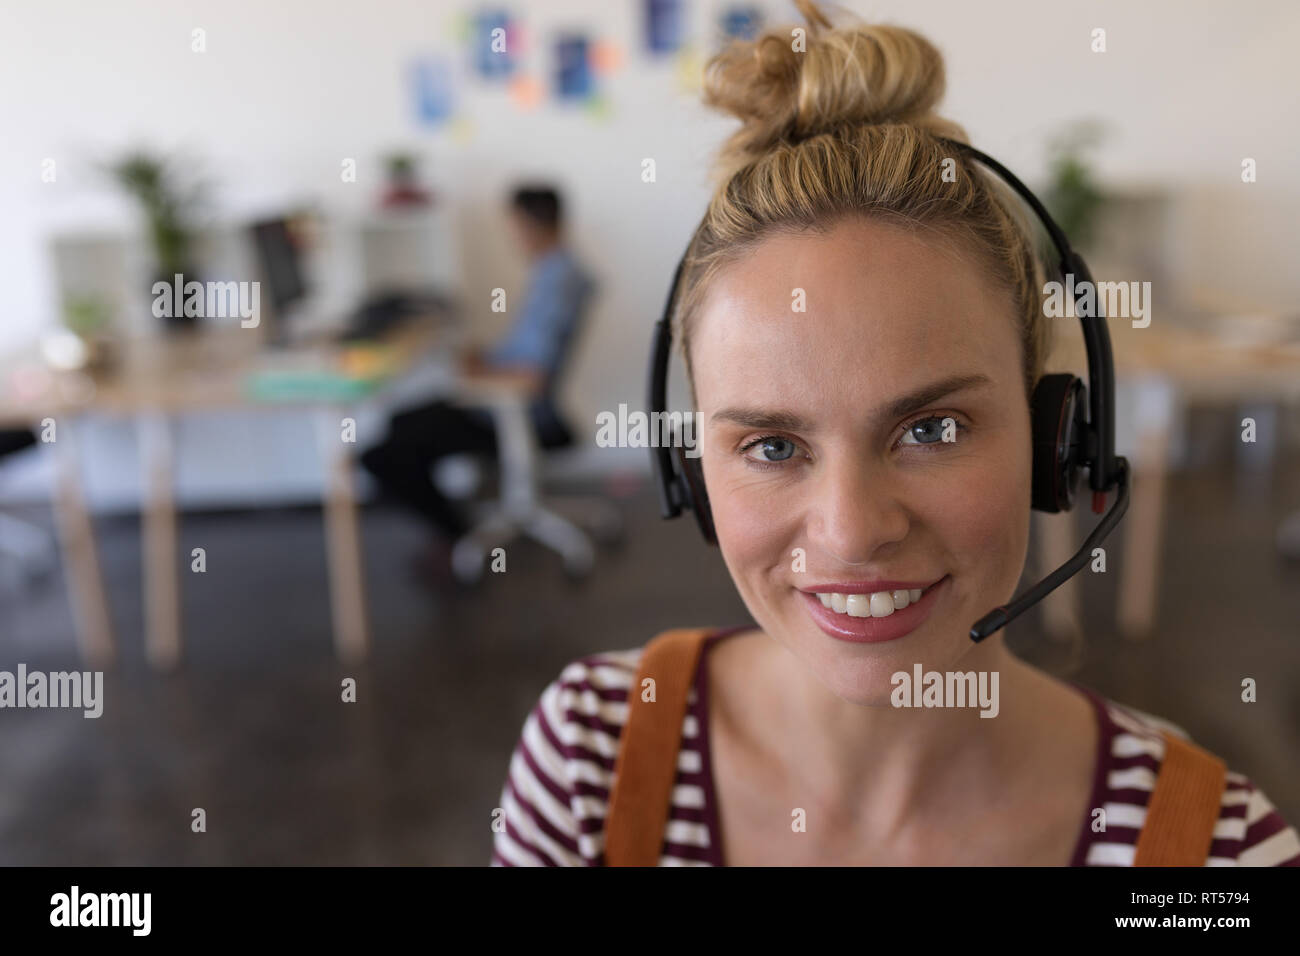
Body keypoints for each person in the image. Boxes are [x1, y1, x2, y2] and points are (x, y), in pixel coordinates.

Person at [490, 2, 1299, 866]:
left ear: (1054, 439)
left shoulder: (1214, 850)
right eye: (772, 446)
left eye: (933, 428)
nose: (852, 530)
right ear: (688, 469)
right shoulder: (591, 763)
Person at [360, 185, 595, 567]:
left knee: (383, 454)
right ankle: (455, 527)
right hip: (503, 400)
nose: (511, 236)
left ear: (526, 224)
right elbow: (528, 352)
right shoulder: (554, 270)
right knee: (400, 423)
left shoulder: (557, 282)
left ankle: (458, 536)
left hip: (514, 411)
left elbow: (530, 376)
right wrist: (479, 356)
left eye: (512, 226)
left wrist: (478, 370)